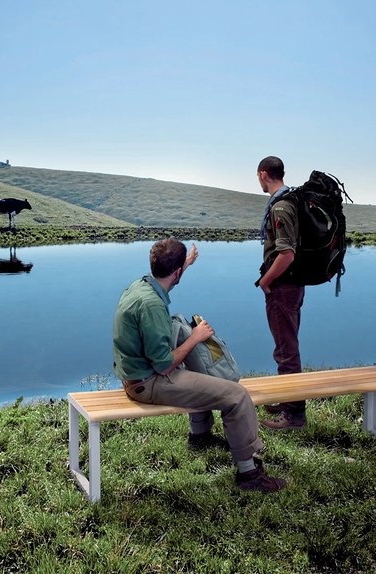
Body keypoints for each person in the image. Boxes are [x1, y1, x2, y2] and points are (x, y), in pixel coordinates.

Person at [113, 237, 285, 492]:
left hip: (137, 375)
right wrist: (196, 337)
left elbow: (168, 276)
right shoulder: (151, 306)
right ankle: (249, 474)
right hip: (148, 382)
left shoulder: (141, 286)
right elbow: (163, 365)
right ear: (177, 272)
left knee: (196, 368)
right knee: (237, 395)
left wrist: (186, 263)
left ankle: (200, 436)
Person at [256, 156, 307, 430]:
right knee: (286, 345)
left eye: (258, 177)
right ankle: (287, 399)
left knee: (286, 350)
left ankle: (294, 416)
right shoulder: (292, 201)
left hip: (283, 286)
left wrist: (266, 281)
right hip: (292, 284)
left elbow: (286, 254)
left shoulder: (282, 206)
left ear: (264, 174)